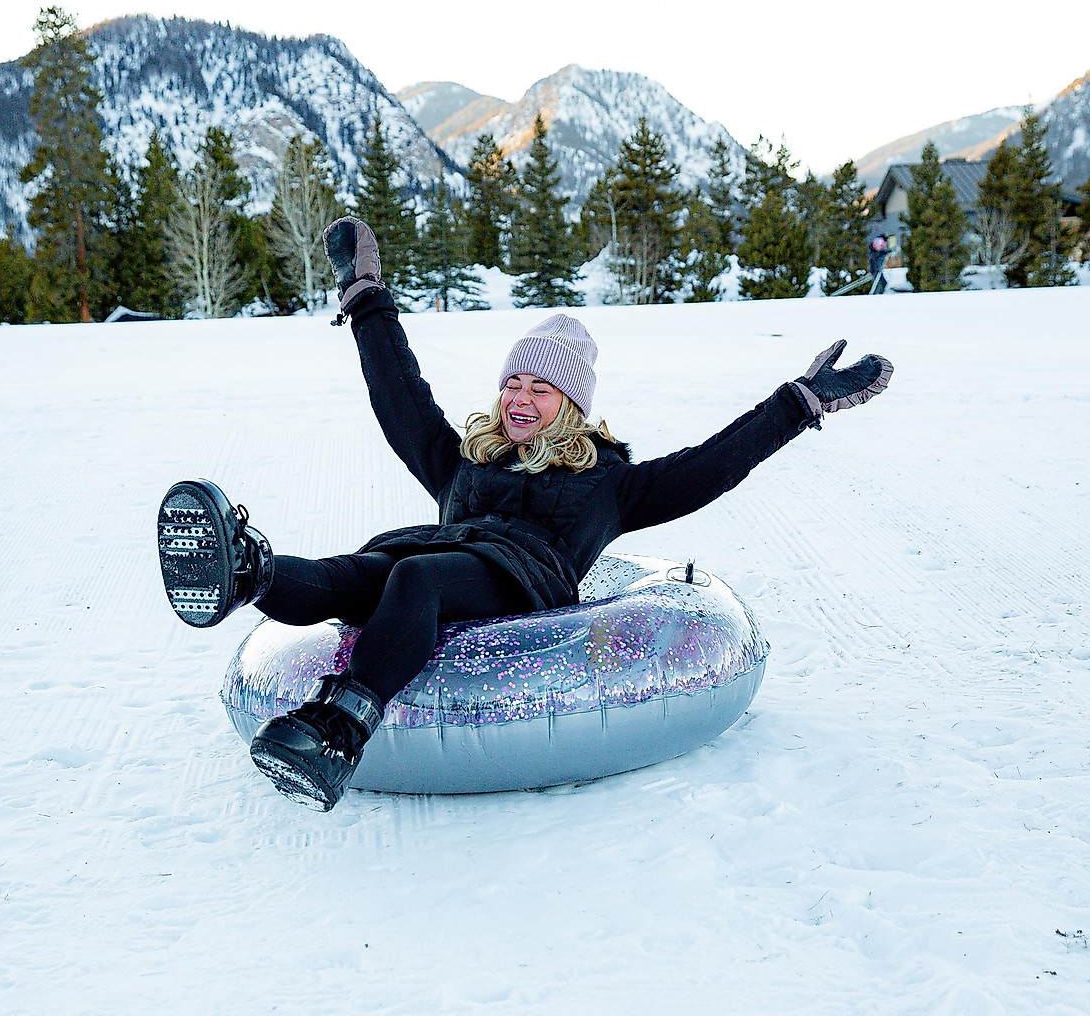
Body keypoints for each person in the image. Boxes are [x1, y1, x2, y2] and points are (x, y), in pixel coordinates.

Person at [157, 216, 894, 811]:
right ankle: (245, 572)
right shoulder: (465, 461)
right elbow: (400, 394)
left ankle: (341, 728)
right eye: (513, 379)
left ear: (571, 403)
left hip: (521, 582)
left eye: (541, 387)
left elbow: (713, 463)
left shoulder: (612, 483)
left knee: (417, 582)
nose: (518, 396)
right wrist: (365, 296)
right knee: (360, 575)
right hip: (433, 557)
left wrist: (799, 403)